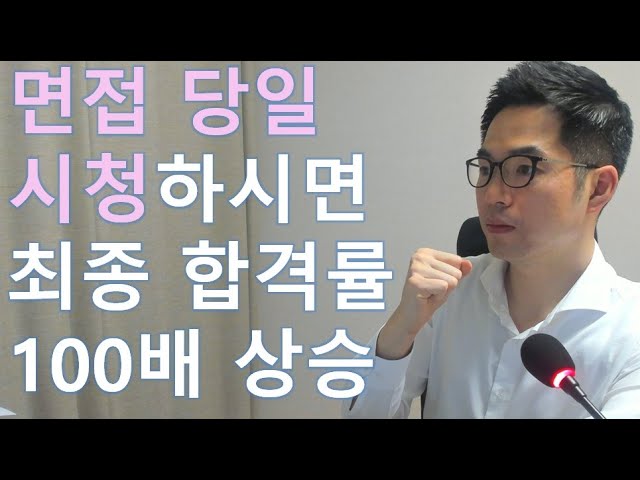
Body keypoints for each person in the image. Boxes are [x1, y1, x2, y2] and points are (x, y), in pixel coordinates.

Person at [343, 61, 640, 419]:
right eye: (486, 169)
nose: (493, 195)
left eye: (524, 169)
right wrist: (400, 332)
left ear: (598, 188)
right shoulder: (448, 299)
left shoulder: (631, 330)